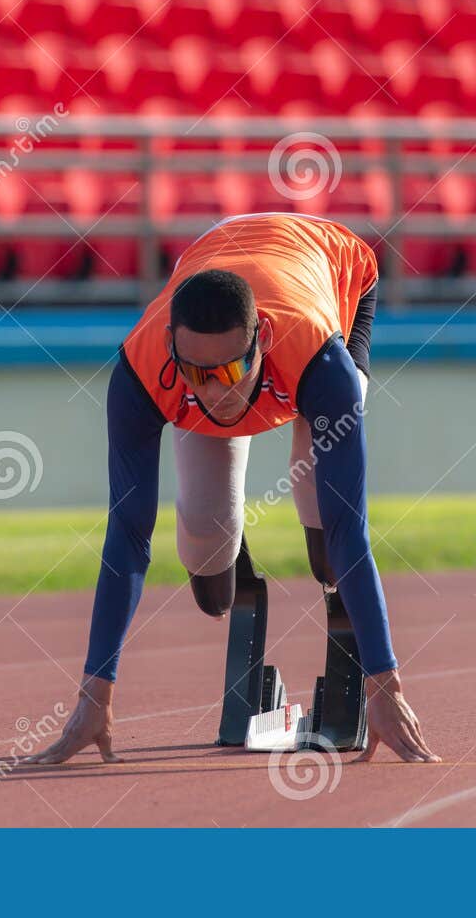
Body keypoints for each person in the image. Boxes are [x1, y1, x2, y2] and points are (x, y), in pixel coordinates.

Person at [24, 213, 441, 765]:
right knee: (207, 556)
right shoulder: (141, 371)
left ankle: (347, 649)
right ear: (172, 343)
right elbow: (127, 535)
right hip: (215, 252)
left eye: (227, 371)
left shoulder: (321, 362)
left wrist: (384, 686)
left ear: (261, 339)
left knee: (324, 511)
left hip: (328, 273)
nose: (211, 392)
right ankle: (237, 565)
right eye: (195, 374)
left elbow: (350, 525)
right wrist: (92, 696)